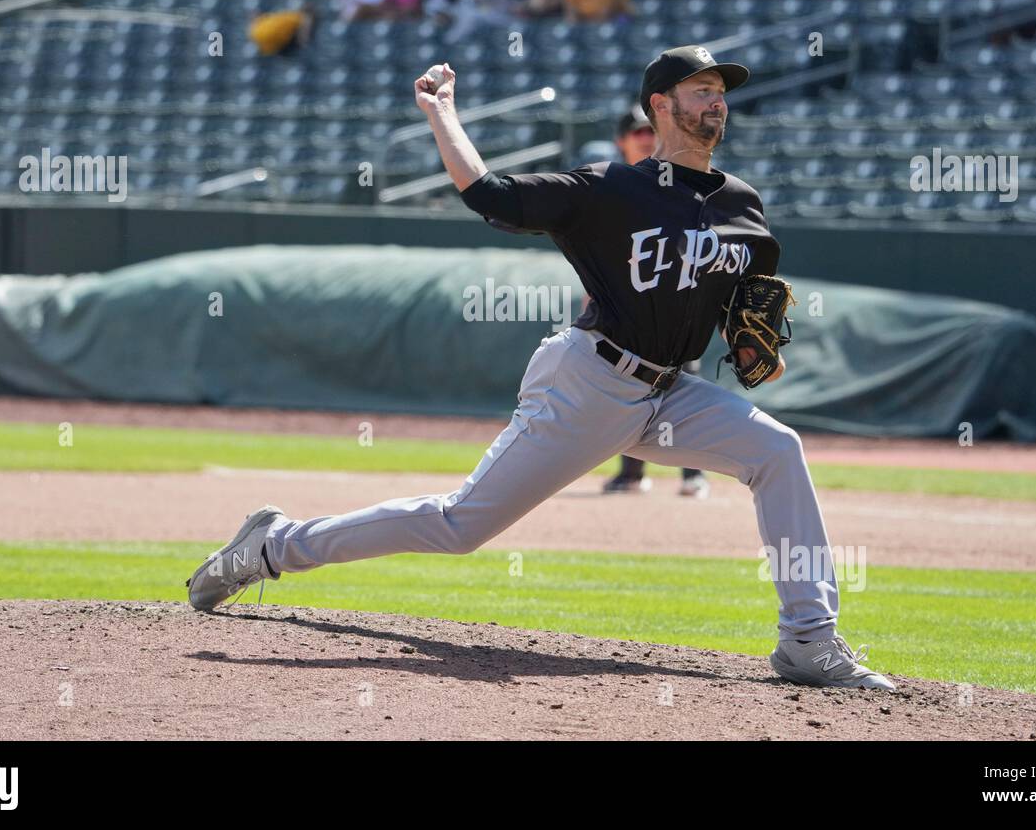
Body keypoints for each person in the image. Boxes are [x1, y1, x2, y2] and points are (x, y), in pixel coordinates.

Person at [188, 45, 897, 693]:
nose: (716, 101)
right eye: (701, 89)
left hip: (674, 390)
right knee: (458, 525)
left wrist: (746, 335)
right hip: (589, 381)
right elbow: (488, 193)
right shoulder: (610, 189)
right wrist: (443, 115)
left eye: (721, 91)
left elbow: (744, 302)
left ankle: (808, 640)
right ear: (661, 105)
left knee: (778, 449)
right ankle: (272, 545)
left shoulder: (743, 205)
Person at [601, 105, 710, 500]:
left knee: (685, 390)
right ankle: (630, 473)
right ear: (622, 140)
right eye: (637, 132)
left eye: (651, 131)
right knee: (626, 391)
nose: (645, 137)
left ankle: (693, 474)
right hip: (626, 309)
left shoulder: (678, 181)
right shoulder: (609, 184)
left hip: (676, 304)